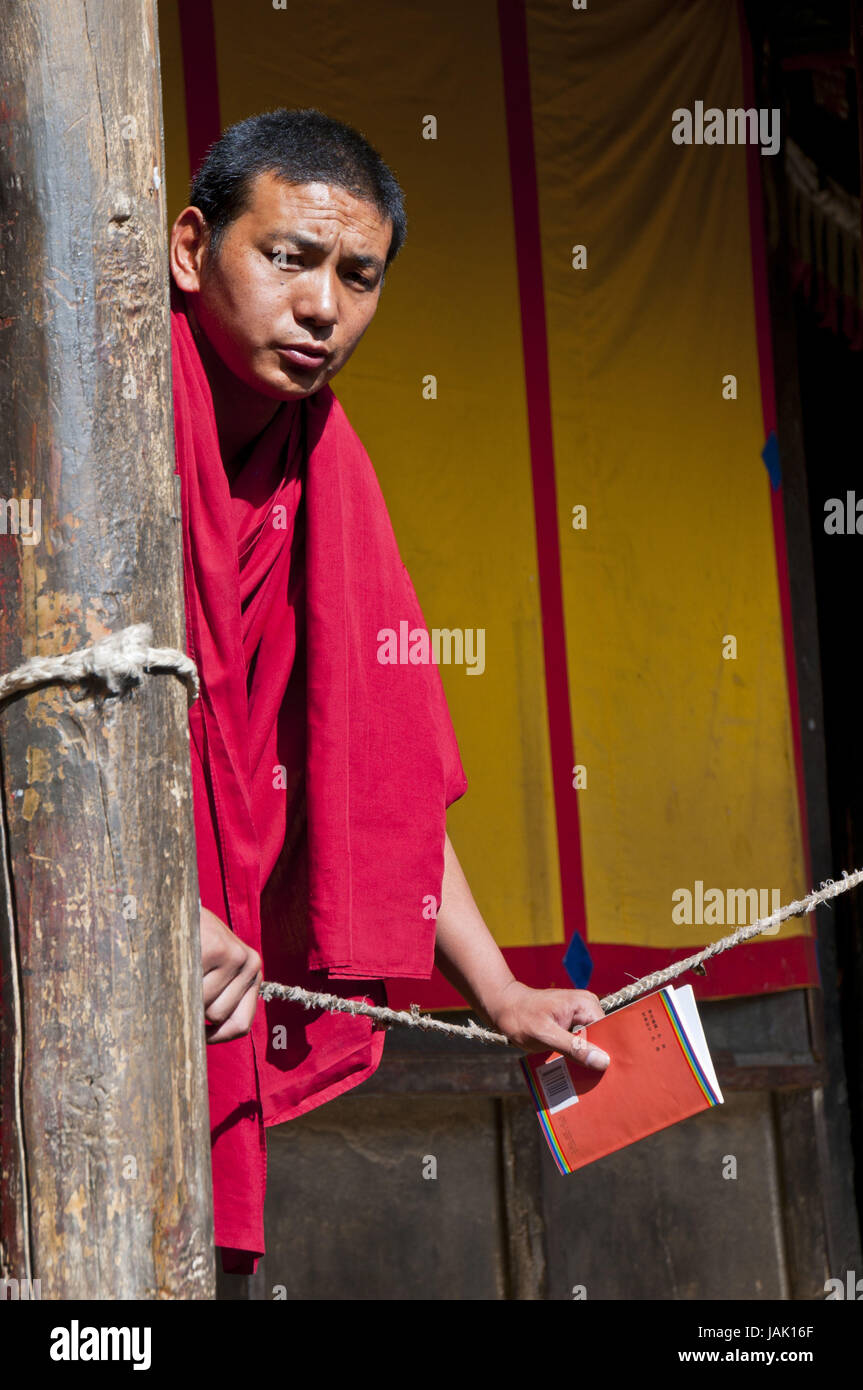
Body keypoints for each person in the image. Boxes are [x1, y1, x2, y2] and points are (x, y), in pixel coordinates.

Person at [168, 107, 609, 1275]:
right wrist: (141, 898)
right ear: (189, 248)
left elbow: (376, 782)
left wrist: (502, 992)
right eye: (288, 258)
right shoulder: (85, 427)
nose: (323, 308)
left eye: (357, 277)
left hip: (205, 984)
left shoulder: (322, 467)